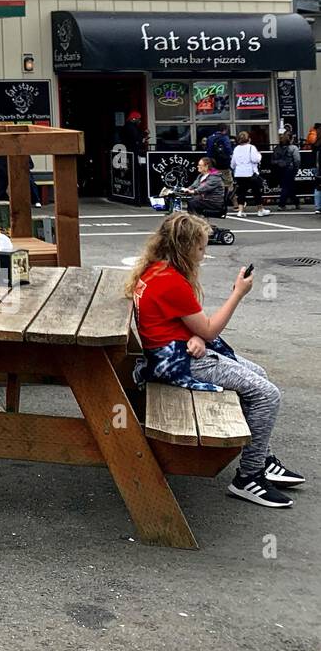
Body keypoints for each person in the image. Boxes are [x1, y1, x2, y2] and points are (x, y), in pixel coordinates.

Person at [126, 211, 303, 507]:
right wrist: (238, 293)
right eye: (201, 248)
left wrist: (196, 336)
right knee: (267, 395)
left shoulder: (154, 270)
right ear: (185, 247)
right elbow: (208, 328)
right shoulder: (171, 282)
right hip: (179, 364)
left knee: (258, 373)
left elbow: (183, 324)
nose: (204, 254)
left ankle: (262, 457)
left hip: (170, 353)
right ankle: (249, 477)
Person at [159, 157, 225, 218]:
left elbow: (205, 187)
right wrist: (187, 189)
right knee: (191, 200)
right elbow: (194, 185)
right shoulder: (201, 176)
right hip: (204, 199)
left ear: (206, 166)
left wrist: (194, 191)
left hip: (213, 202)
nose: (198, 166)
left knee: (193, 202)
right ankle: (194, 220)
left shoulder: (215, 177)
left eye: (200, 165)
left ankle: (194, 222)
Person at [231, 131, 268, 218]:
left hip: (239, 173)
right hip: (250, 173)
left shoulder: (236, 149)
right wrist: (259, 155)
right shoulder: (251, 147)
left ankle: (240, 211)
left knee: (241, 192)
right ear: (249, 139)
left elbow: (233, 163)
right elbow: (255, 159)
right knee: (256, 191)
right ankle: (260, 210)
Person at [204, 123, 236, 210]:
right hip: (224, 165)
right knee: (229, 183)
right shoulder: (225, 138)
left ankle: (212, 202)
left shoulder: (210, 138)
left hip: (212, 165)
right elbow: (229, 150)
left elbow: (207, 151)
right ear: (225, 130)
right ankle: (234, 203)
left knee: (213, 183)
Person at [270, 131, 301, 210]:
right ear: (291, 139)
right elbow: (297, 160)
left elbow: (272, 160)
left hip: (279, 169)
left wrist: (278, 163)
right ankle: (282, 204)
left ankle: (296, 202)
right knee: (287, 186)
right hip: (289, 169)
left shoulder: (277, 148)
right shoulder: (293, 148)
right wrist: (296, 169)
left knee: (287, 186)